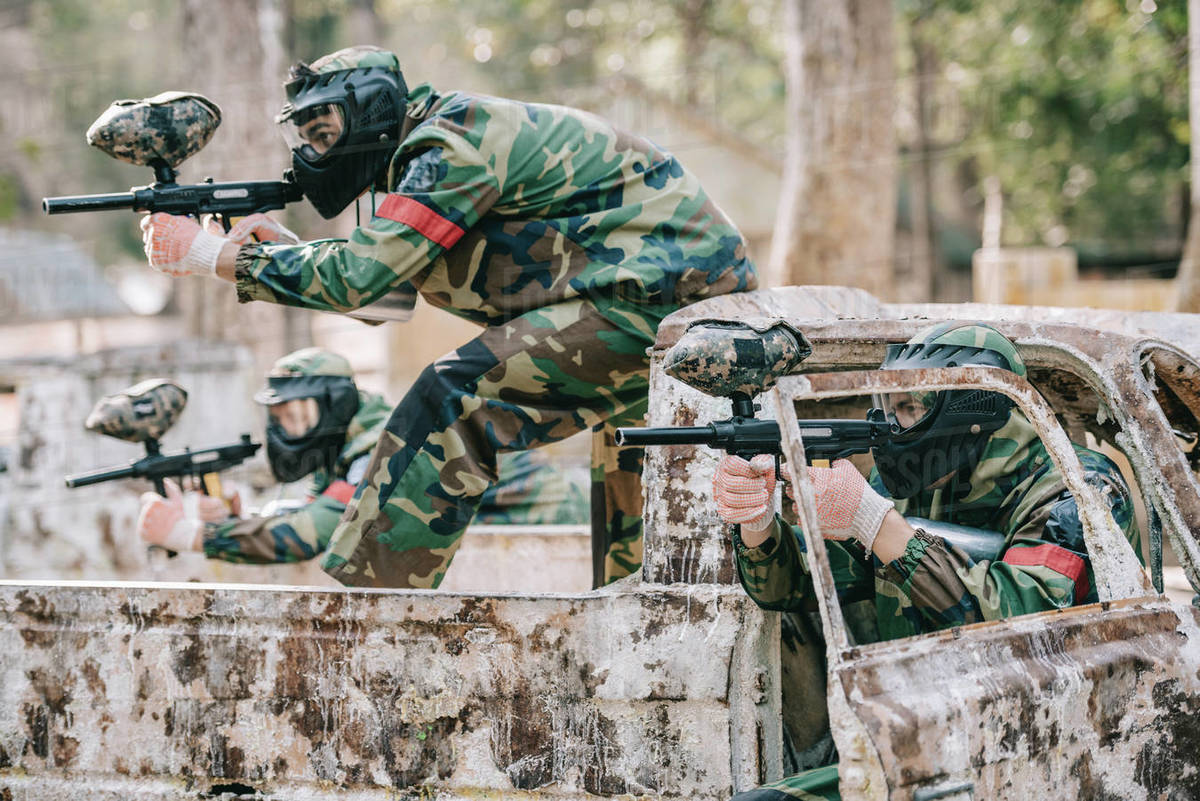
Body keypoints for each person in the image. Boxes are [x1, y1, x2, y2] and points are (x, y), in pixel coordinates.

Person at [137, 45, 755, 588]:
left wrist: (212, 256)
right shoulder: (431, 151)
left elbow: (362, 274)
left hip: (663, 300)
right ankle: (644, 621)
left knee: (454, 397)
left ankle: (379, 612)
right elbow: (387, 289)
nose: (312, 152)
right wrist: (278, 255)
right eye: (305, 135)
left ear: (371, 110)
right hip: (659, 299)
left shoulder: (450, 143)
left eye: (323, 132)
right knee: (634, 481)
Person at [712, 322, 1140, 800]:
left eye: (910, 407)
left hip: (1053, 744)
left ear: (968, 409)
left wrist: (878, 524)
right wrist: (756, 522)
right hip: (924, 736)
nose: (893, 425)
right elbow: (797, 587)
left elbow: (1025, 634)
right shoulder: (918, 486)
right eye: (888, 407)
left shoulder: (1077, 490)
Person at [136, 348, 589, 564]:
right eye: (279, 416)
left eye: (298, 413)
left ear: (333, 403)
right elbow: (324, 508)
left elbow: (316, 534)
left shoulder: (381, 445)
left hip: (570, 520)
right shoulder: (354, 444)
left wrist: (190, 534)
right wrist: (238, 517)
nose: (288, 429)